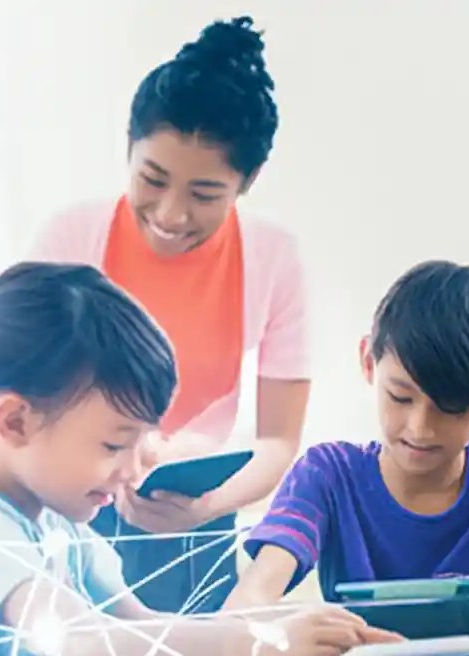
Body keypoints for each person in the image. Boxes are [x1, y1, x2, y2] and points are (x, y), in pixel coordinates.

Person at [0, 261, 398, 656]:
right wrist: (257, 640)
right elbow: (90, 645)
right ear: (15, 422)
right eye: (114, 444)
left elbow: (140, 627)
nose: (135, 468)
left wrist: (304, 628)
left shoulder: (59, 532)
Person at [33, 16, 308, 613]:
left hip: (197, 513)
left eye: (205, 194)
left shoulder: (274, 258)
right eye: (152, 179)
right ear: (127, 147)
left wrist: (206, 508)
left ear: (248, 180)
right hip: (75, 506)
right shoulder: (72, 236)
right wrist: (116, 457)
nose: (171, 214)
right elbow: (24, 395)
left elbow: (279, 440)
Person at [227, 261, 469, 651]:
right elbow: (246, 604)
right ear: (368, 362)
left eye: (452, 408)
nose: (419, 428)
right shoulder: (327, 475)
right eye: (400, 397)